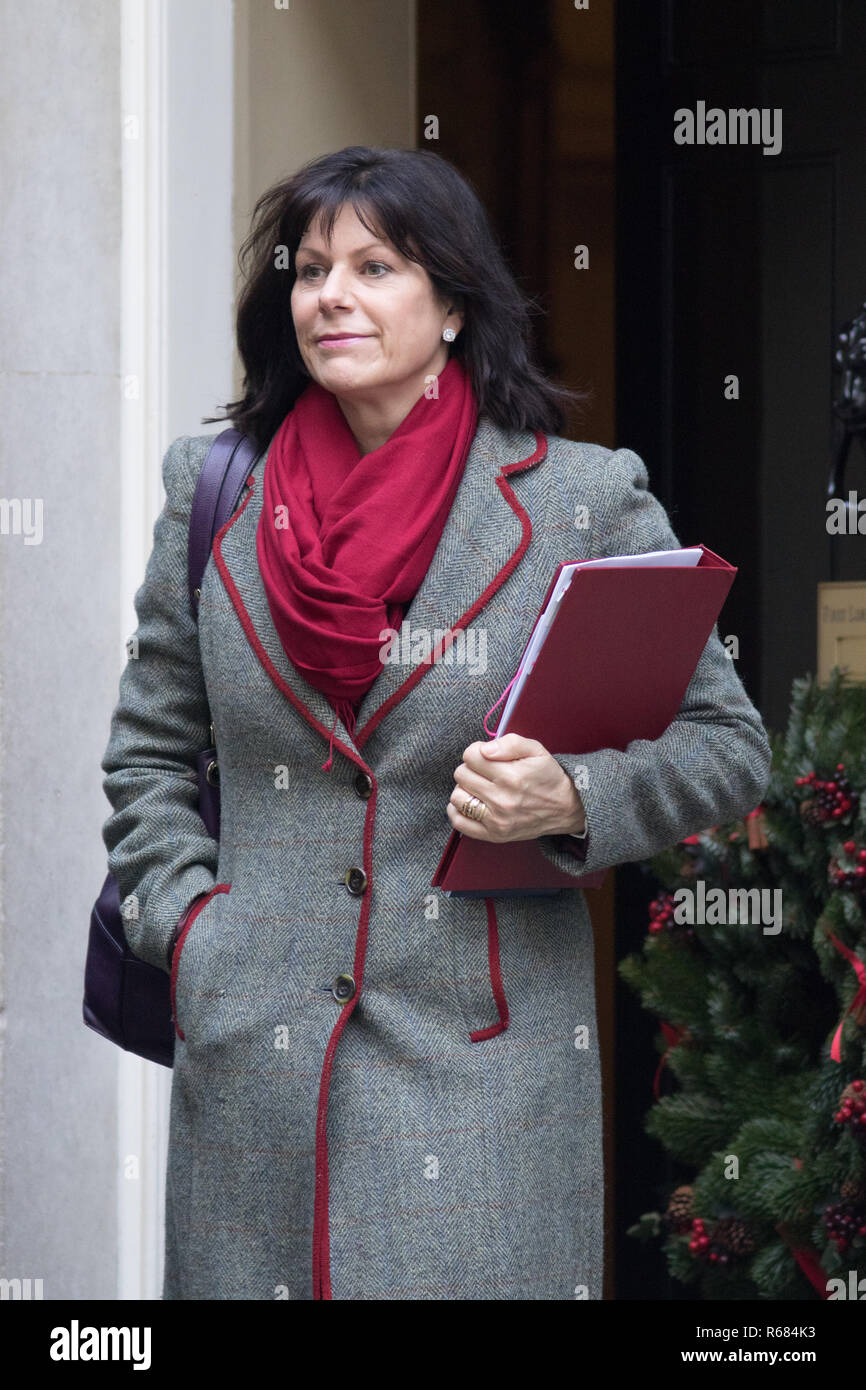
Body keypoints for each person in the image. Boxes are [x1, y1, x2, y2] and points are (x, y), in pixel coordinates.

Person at [100, 145, 772, 1300]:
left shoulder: (579, 498)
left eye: (375, 266)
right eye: (310, 270)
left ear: (453, 305)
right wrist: (192, 927)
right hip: (255, 1074)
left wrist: (570, 796)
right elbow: (150, 751)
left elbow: (725, 744)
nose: (331, 296)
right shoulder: (208, 492)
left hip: (481, 1080)